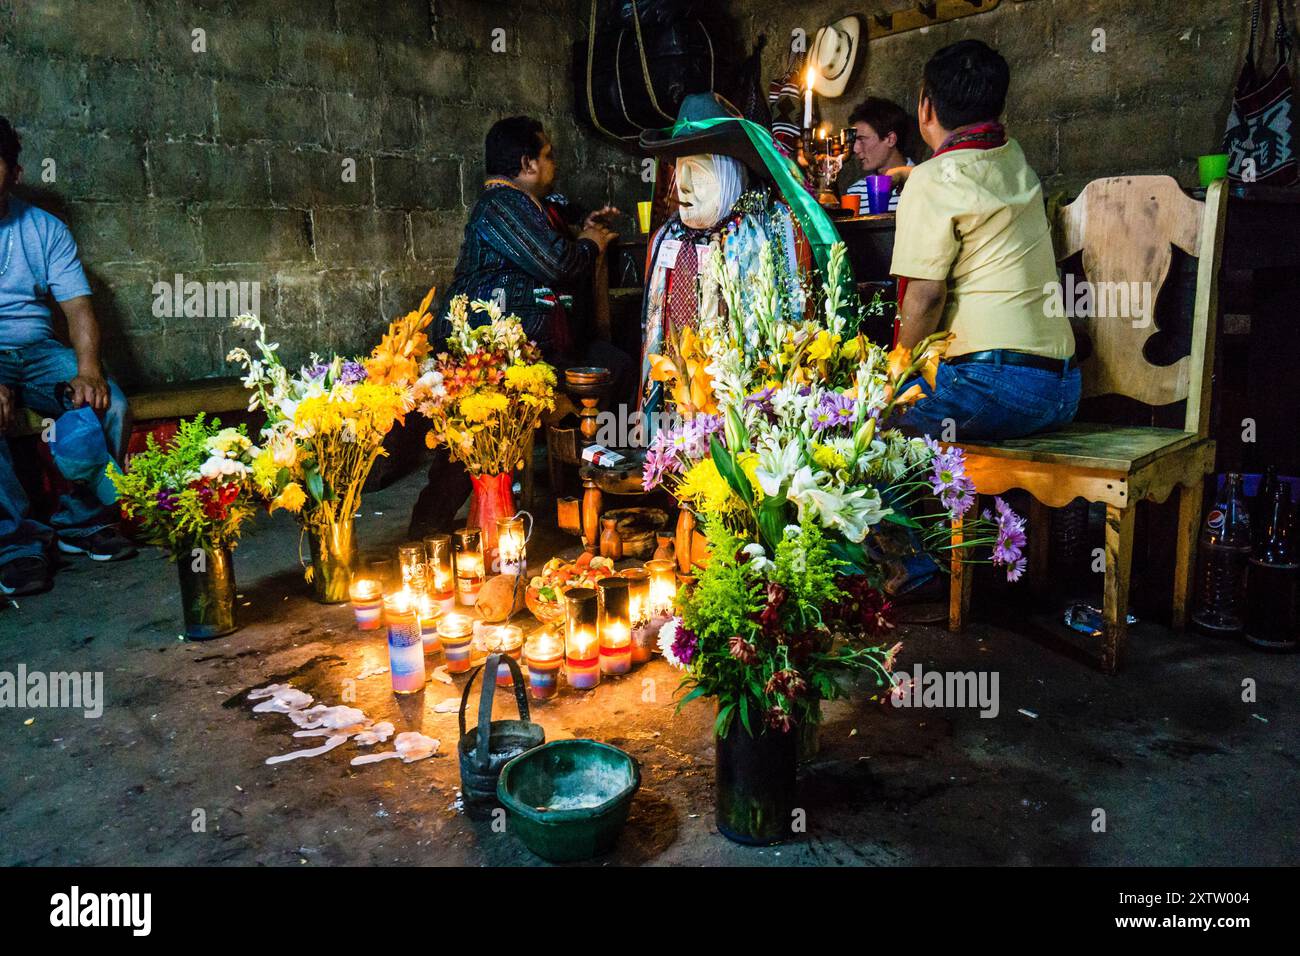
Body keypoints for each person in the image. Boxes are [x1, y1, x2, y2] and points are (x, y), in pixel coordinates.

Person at [409, 116, 627, 539]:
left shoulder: (531, 207)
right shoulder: (499, 206)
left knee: (612, 366)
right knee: (471, 436)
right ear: (526, 163)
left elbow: (558, 236)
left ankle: (600, 487)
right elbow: (558, 263)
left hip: (534, 353)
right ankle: (427, 529)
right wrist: (589, 245)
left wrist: (584, 229)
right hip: (489, 360)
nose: (554, 165)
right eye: (548, 156)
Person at [890, 40, 1078, 442]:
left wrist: (892, 379)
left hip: (992, 389)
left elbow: (926, 297)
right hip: (1062, 390)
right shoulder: (1015, 161)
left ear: (926, 108)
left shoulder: (930, 177)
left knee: (868, 433)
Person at [0, 115, 136, 596]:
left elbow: (78, 308)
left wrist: (88, 371)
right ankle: (15, 545)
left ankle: (84, 523)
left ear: (14, 173)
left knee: (110, 401)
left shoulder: (45, 228)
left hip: (38, 353)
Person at [842, 97, 916, 212]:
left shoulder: (922, 182)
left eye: (862, 139)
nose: (855, 149)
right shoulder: (856, 192)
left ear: (890, 139)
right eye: (854, 141)